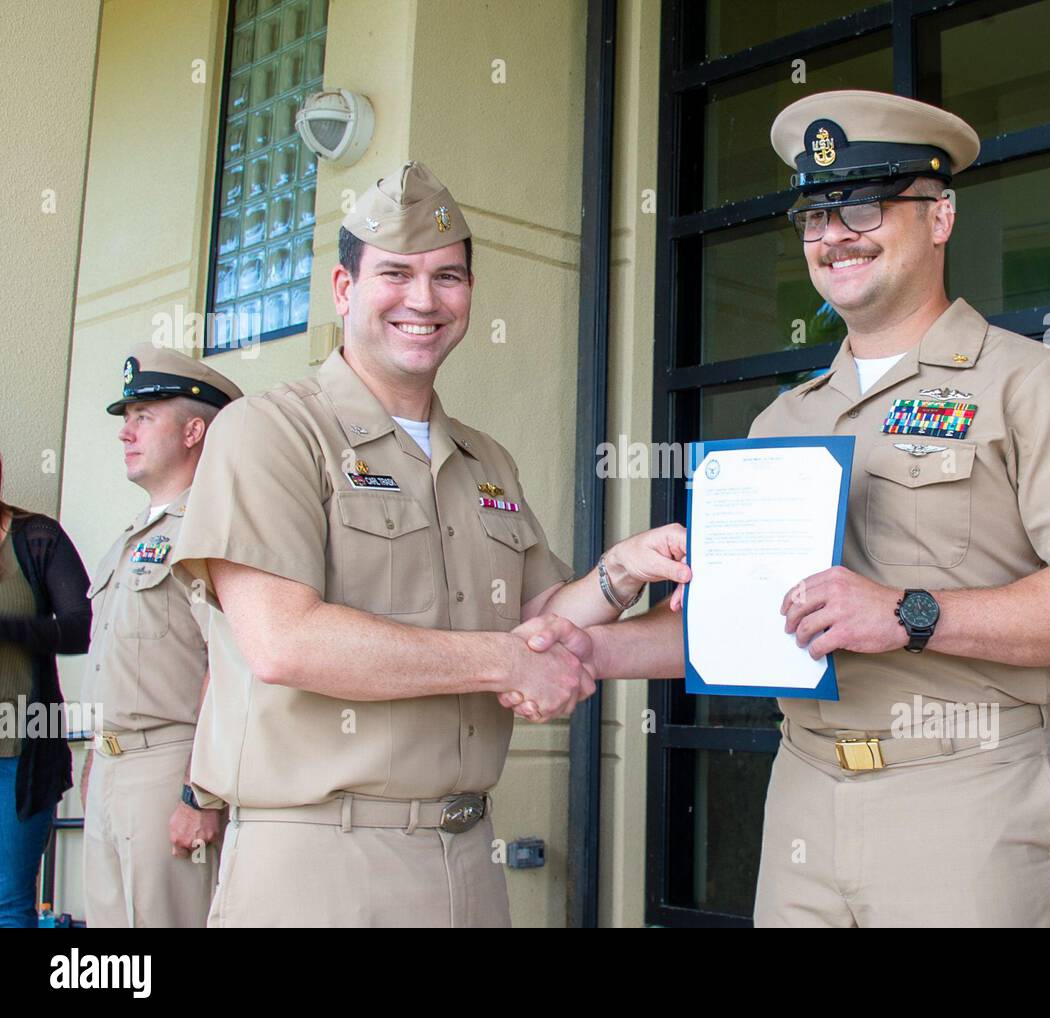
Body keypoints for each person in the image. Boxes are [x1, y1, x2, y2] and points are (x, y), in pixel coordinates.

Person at [558, 90, 1050, 927]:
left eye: (863, 204)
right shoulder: (784, 421)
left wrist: (908, 615)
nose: (834, 234)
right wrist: (578, 650)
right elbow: (735, 627)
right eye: (813, 213)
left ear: (940, 217)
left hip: (964, 794)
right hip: (804, 788)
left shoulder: (1037, 384)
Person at [171, 160, 689, 927]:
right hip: (320, 866)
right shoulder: (273, 432)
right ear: (344, 290)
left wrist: (619, 572)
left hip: (468, 856)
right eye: (396, 274)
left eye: (449, 277)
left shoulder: (484, 459)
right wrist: (505, 660)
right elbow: (285, 641)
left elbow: (540, 613)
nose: (424, 299)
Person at [81, 344, 243, 927]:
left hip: (169, 768)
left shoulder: (211, 527)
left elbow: (227, 667)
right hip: (111, 765)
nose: (126, 433)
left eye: (142, 417)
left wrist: (198, 794)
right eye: (125, 420)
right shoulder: (134, 536)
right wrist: (95, 762)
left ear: (195, 429)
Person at [0, 455, 91, 927]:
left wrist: (8, 628)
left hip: (21, 752)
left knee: (9, 904)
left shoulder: (37, 538)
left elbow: (79, 629)